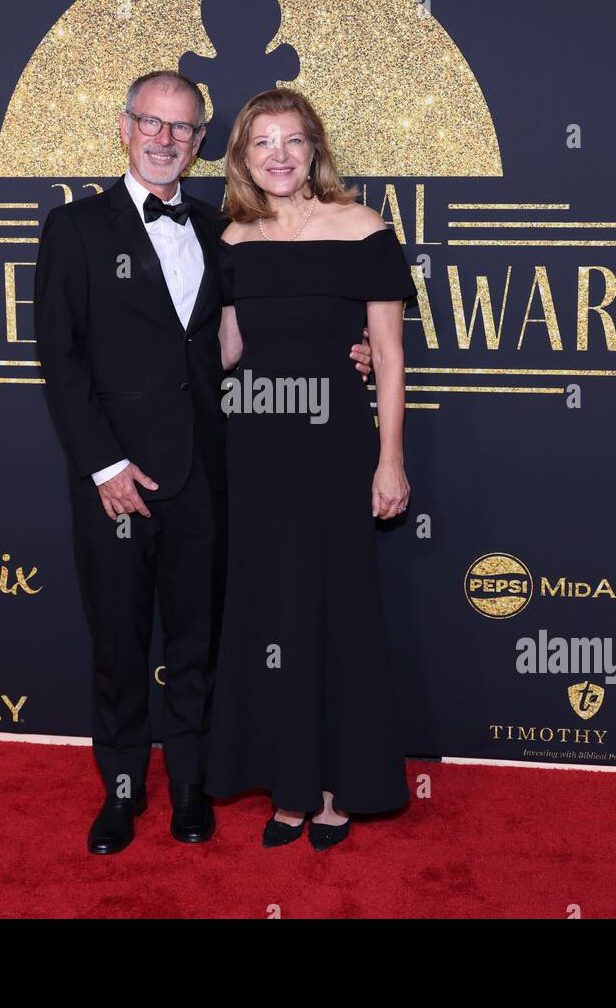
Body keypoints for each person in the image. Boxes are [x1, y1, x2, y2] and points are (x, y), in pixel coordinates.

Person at [33, 71, 373, 855]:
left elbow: (272, 323)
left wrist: (346, 351)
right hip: (116, 483)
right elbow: (62, 361)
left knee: (197, 646)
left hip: (211, 478)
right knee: (121, 649)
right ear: (123, 128)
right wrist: (104, 468)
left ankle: (191, 787)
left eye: (182, 128)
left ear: (197, 144)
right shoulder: (75, 228)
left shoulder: (227, 228)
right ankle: (120, 795)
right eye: (151, 123)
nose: (164, 139)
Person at [204, 87, 414, 851]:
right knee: (273, 611)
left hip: (335, 450)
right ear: (243, 156)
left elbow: (388, 358)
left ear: (315, 149)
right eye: (263, 142)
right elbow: (225, 349)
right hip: (256, 448)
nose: (280, 155)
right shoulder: (233, 238)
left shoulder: (364, 230)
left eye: (294, 140)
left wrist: (390, 459)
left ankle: (337, 785)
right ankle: (289, 783)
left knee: (336, 608)